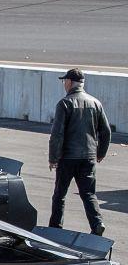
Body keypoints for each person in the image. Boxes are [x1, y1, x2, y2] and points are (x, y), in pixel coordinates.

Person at [48, 68, 111, 236]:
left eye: (64, 81)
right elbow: (106, 131)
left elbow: (57, 134)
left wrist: (53, 158)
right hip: (89, 157)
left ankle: (55, 229)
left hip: (68, 157)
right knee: (89, 193)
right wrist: (101, 152)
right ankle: (97, 223)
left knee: (60, 194)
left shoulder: (65, 103)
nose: (64, 84)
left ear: (69, 82)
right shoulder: (95, 103)